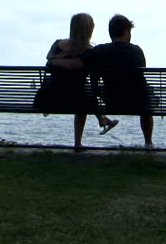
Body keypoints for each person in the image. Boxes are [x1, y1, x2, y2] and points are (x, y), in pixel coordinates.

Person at [51, 14, 153, 148]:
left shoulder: (100, 51)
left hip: (112, 102)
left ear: (111, 33)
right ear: (127, 31)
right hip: (137, 103)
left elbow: (75, 64)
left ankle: (82, 139)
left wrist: (54, 61)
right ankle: (148, 142)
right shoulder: (137, 51)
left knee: (87, 92)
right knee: (146, 100)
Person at [36, 13, 118, 150]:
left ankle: (103, 119)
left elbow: (48, 61)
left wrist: (58, 60)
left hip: (50, 97)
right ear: (89, 30)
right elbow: (94, 81)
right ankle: (79, 142)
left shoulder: (57, 45)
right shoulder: (90, 52)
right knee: (85, 94)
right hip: (76, 99)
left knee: (82, 93)